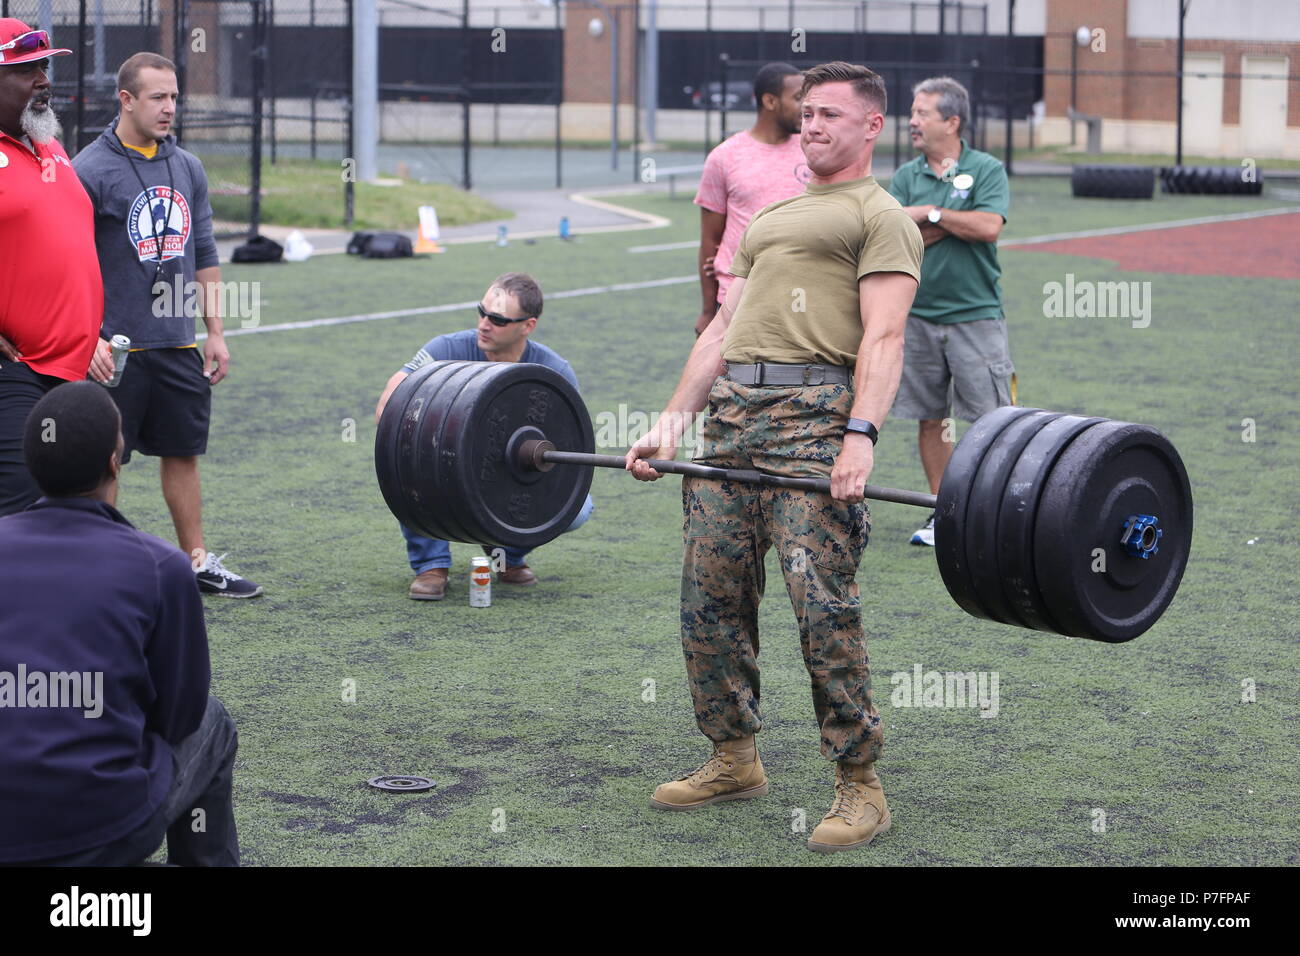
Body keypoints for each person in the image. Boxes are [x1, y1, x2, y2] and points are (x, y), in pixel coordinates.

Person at [625, 62, 922, 853]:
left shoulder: (881, 216)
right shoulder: (773, 217)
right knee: (710, 597)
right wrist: (670, 425)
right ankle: (733, 756)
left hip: (813, 419)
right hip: (733, 420)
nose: (813, 125)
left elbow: (886, 336)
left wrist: (860, 433)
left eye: (831, 114)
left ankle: (860, 784)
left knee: (821, 604)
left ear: (871, 127)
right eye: (808, 112)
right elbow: (720, 331)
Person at [0, 381, 239, 866]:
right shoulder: (160, 566)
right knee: (213, 725)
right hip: (97, 830)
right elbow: (180, 717)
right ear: (116, 460)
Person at [73, 52, 262, 596]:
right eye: (158, 97)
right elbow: (74, 262)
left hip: (178, 342)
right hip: (116, 348)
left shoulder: (188, 166)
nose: (170, 108)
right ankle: (98, 570)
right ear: (126, 100)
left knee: (183, 453)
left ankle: (197, 562)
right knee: (108, 460)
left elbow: (203, 251)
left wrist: (217, 332)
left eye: (175, 97)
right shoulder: (89, 169)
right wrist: (92, 335)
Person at [375, 273, 594, 601]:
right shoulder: (446, 349)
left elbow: (567, 449)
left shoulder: (554, 372)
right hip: (443, 468)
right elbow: (387, 407)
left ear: (528, 325)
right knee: (412, 459)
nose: (483, 324)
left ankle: (504, 553)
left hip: (504, 478)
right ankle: (431, 565)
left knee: (575, 509)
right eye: (482, 313)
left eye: (497, 319)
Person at [887, 76, 1013, 546]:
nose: (912, 121)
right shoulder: (905, 176)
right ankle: (945, 514)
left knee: (992, 421)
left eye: (922, 113)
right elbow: (897, 239)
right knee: (930, 418)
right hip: (918, 316)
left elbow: (987, 227)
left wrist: (932, 214)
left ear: (952, 121)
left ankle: (991, 513)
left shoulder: (986, 169)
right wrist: (934, 220)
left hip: (976, 315)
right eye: (913, 112)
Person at [0, 19, 102, 517]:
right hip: (15, 370)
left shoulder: (52, 145)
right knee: (22, 510)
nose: (44, 79)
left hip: (71, 369)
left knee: (71, 506)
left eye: (44, 66)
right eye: (26, 69)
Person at [693, 62, 807, 337]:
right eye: (797, 98)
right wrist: (708, 310)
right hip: (736, 298)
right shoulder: (724, 157)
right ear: (769, 101)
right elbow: (710, 240)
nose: (805, 107)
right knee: (730, 379)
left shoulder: (813, 151)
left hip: (799, 298)